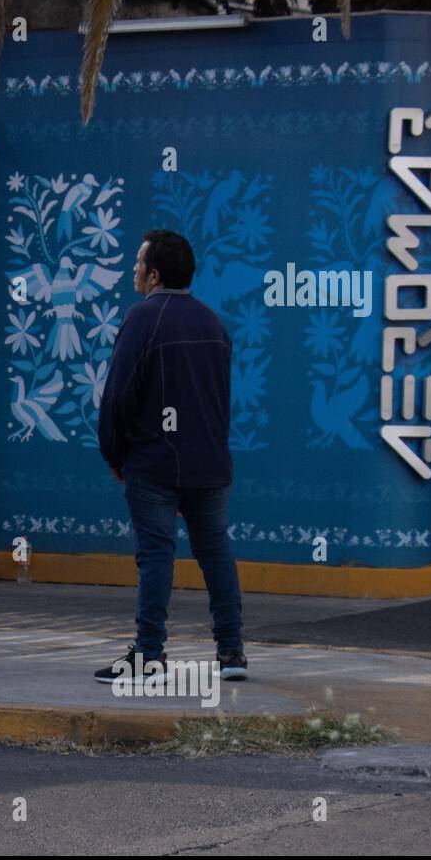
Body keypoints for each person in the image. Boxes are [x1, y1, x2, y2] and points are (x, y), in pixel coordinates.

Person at [93, 229, 247, 684]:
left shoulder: (142, 319)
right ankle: (232, 652)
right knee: (216, 553)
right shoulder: (212, 323)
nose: (133, 270)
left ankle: (149, 655)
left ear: (154, 274)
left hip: (155, 463)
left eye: (138, 264)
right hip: (210, 464)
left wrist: (114, 455)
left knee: (156, 555)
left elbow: (117, 397)